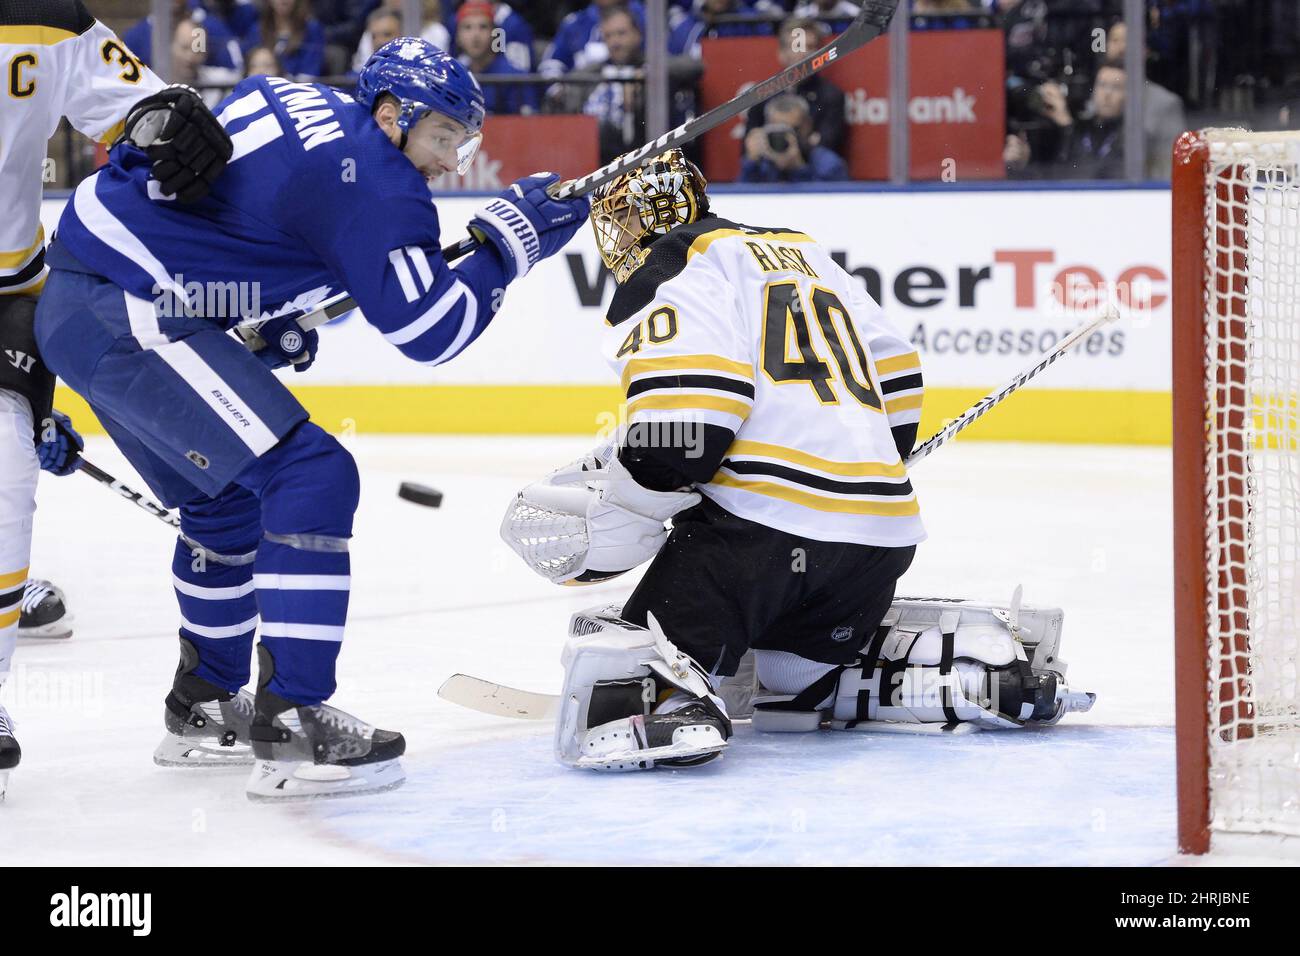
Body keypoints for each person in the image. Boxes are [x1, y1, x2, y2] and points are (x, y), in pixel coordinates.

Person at [34, 37, 588, 800]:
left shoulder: (299, 97)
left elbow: (245, 213)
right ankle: (293, 715)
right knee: (313, 474)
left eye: (463, 145)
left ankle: (204, 707)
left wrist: (265, 310)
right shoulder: (380, 188)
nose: (452, 163)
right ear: (392, 116)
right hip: (131, 308)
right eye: (443, 138)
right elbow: (431, 330)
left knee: (221, 507)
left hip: (79, 299)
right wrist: (508, 249)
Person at [501, 150, 1095, 771]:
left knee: (619, 669)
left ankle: (671, 700)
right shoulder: (804, 250)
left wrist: (630, 503)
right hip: (878, 545)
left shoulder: (671, 263)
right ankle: (920, 673)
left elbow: (689, 429)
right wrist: (856, 467)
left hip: (755, 541)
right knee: (786, 673)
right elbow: (897, 374)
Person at [0, 0, 233, 797]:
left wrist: (176, 125)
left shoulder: (40, 15)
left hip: (10, 290)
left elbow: (149, 113)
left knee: (7, 489)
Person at [743, 18, 847, 157]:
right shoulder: (761, 94)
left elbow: (826, 148)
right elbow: (748, 151)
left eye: (810, 47)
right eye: (797, 46)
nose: (804, 54)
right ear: (781, 53)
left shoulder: (831, 95)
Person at [739, 93, 848, 182]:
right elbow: (739, 202)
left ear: (807, 126)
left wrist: (798, 168)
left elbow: (832, 204)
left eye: (791, 130)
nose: (784, 138)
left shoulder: (828, 164)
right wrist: (751, 165)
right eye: (777, 130)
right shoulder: (761, 164)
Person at [455, 0, 539, 115]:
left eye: (483, 27)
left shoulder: (515, 78)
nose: (475, 35)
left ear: (495, 34)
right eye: (468, 27)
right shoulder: (454, 77)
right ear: (458, 37)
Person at [241, 0, 326, 79]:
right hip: (262, 88)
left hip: (298, 89)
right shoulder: (257, 29)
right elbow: (248, 66)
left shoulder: (311, 29)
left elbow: (309, 72)